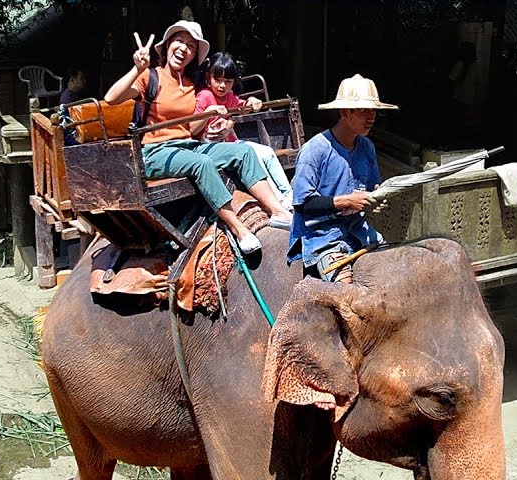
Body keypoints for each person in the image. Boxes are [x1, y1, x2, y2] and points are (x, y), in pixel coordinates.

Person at [103, 20, 292, 254]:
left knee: (244, 151)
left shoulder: (194, 85)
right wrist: (137, 69)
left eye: (191, 46)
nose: (184, 48)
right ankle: (238, 229)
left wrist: (245, 105)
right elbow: (111, 98)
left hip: (189, 146)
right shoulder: (150, 77)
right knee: (201, 163)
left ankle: (278, 211)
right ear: (167, 45)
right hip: (155, 152)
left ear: (194, 55)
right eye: (179, 41)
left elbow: (218, 108)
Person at [288, 74, 396, 283]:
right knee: (346, 291)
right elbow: (304, 204)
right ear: (345, 112)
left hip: (359, 230)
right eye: (364, 110)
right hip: (323, 236)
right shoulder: (315, 150)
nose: (371, 117)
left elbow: (372, 186)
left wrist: (377, 196)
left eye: (373, 110)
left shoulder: (366, 147)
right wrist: (347, 201)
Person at [194, 51, 293, 208]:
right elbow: (193, 125)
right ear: (208, 77)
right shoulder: (204, 96)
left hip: (232, 143)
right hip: (212, 146)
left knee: (267, 152)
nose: (222, 85)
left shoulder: (229, 96)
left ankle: (289, 194)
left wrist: (252, 101)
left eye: (228, 81)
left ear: (234, 82)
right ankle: (278, 201)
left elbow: (242, 105)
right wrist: (209, 112)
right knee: (254, 157)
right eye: (217, 80)